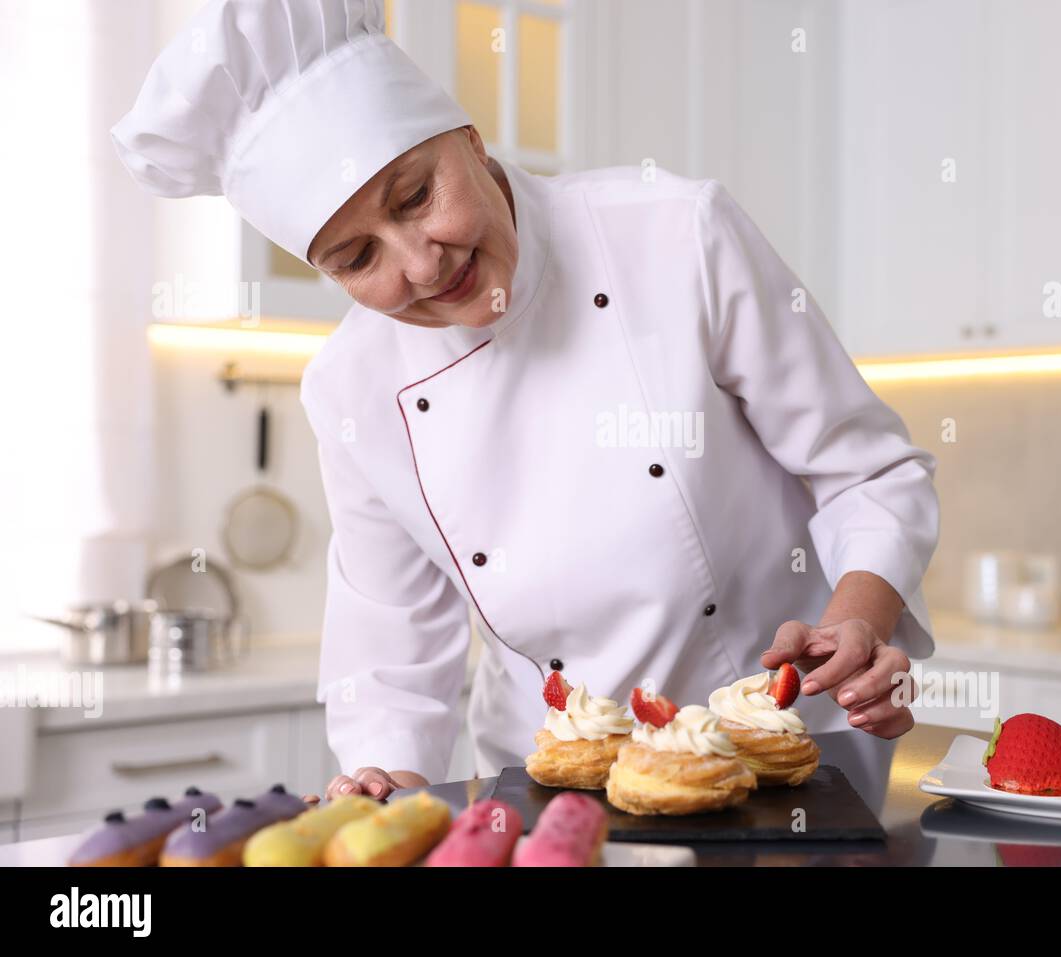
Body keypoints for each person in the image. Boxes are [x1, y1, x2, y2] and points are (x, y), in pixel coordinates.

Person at [113, 0, 940, 801]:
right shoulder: (350, 387)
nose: (422, 265)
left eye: (415, 198)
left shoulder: (674, 233)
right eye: (360, 255)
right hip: (552, 785)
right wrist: (383, 778)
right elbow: (392, 647)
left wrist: (855, 624)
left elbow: (865, 471)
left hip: (780, 755)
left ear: (470, 139)